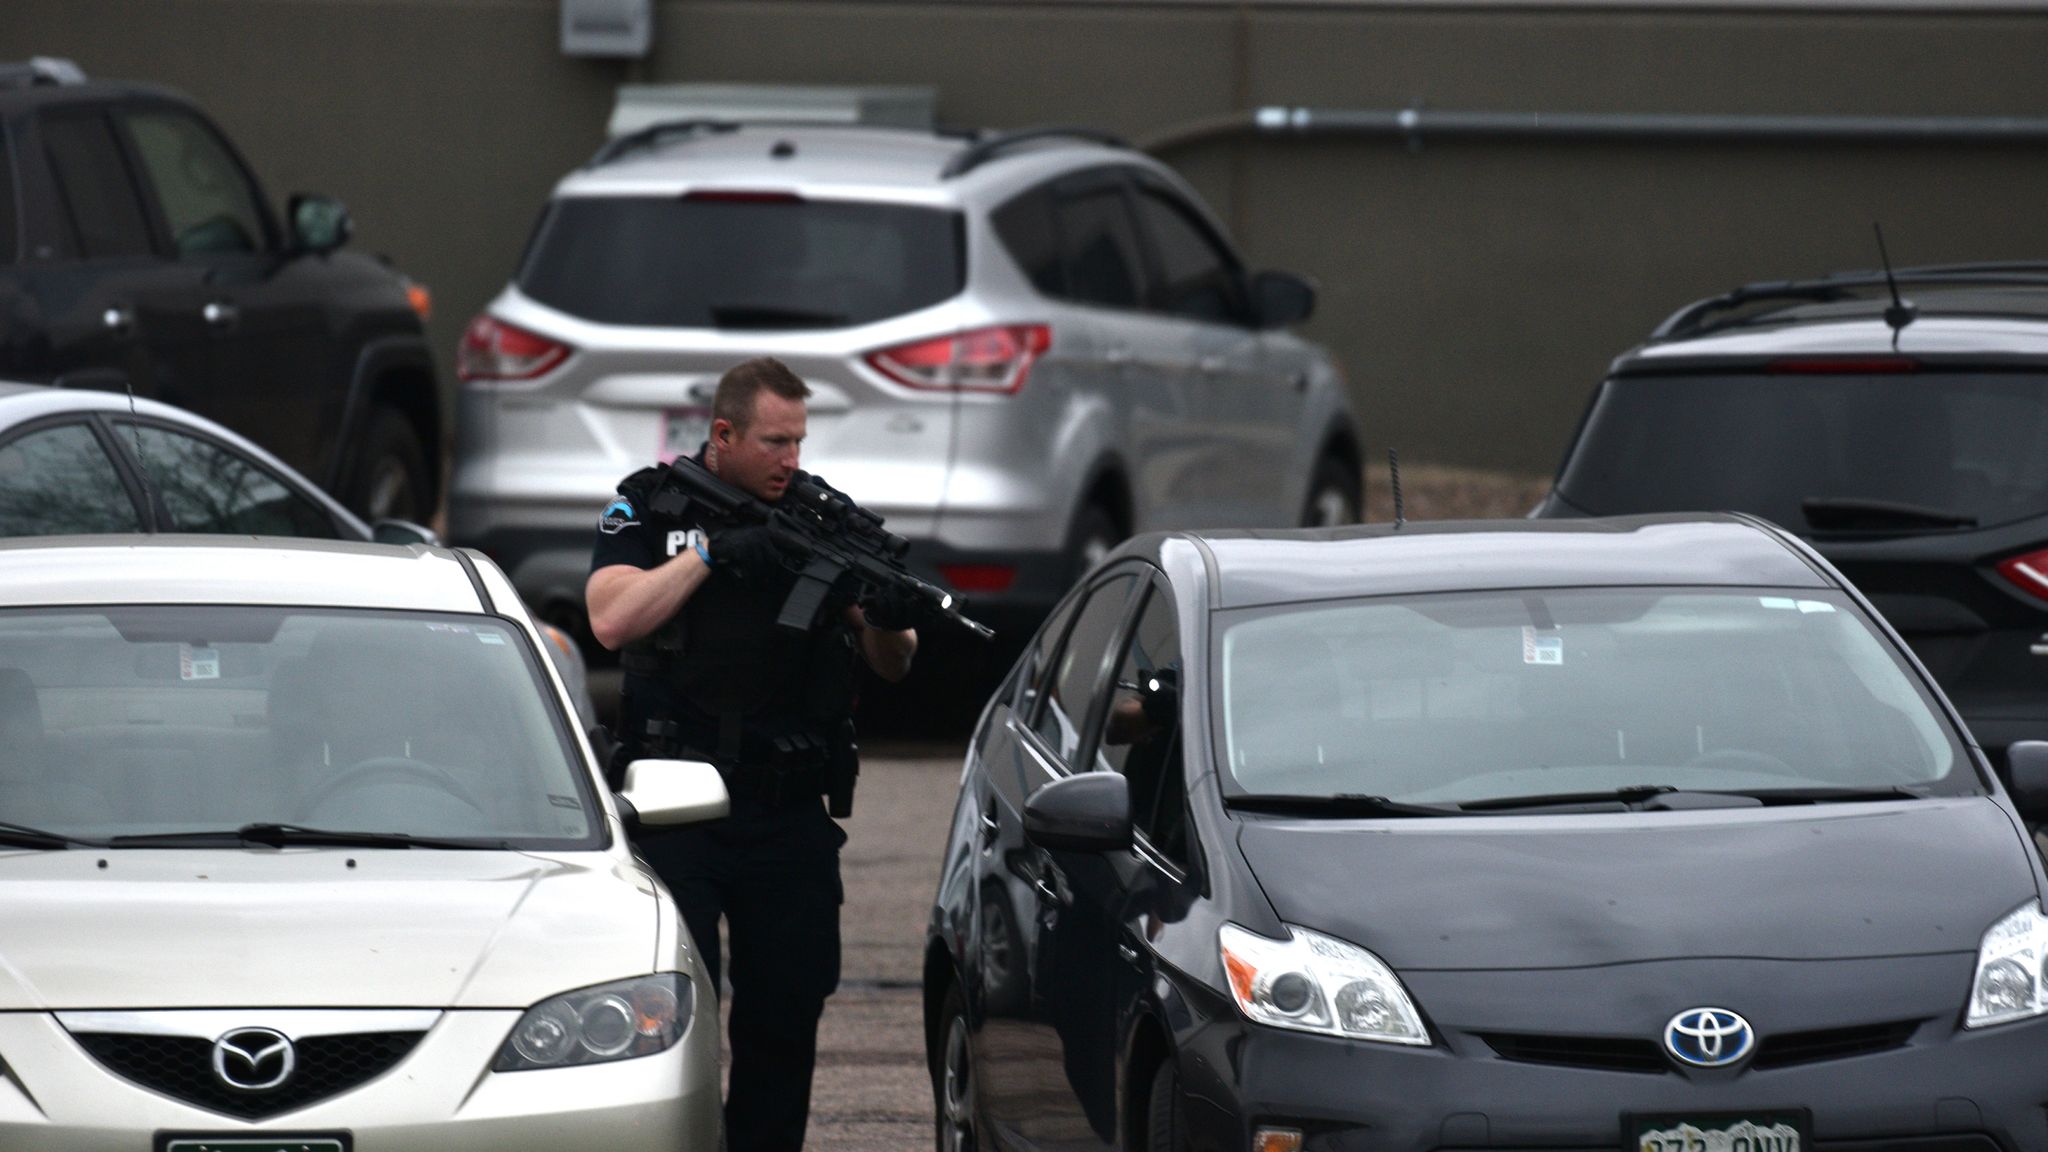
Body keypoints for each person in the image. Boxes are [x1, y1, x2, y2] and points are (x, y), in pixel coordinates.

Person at [585, 356, 917, 1152]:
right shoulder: (651, 503)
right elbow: (611, 621)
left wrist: (885, 614)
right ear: (724, 434)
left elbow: (894, 661)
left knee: (784, 1019)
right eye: (774, 442)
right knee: (671, 1021)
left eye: (799, 441)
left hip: (788, 809)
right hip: (677, 805)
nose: (791, 460)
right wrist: (709, 556)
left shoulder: (819, 520)